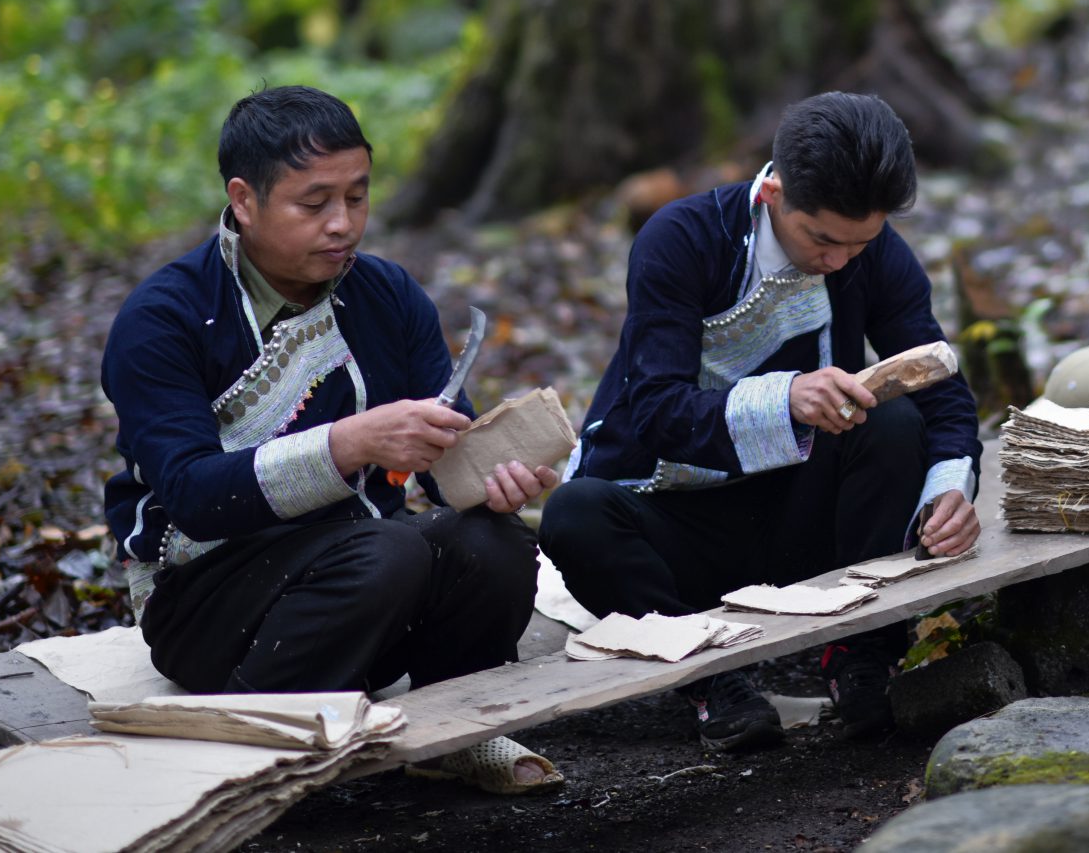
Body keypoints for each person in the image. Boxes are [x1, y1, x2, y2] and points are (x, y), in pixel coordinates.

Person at [100, 85, 561, 794]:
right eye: (313, 204)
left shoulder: (386, 294)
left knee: (494, 545)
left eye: (357, 196)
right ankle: (259, 750)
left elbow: (442, 459)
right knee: (391, 547)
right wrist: (349, 443)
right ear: (244, 200)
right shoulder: (164, 317)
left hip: (363, 576)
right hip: (208, 601)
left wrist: (496, 481)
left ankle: (454, 732)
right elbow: (191, 497)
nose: (343, 224)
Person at [539, 92, 982, 751]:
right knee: (573, 515)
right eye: (824, 240)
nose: (840, 262)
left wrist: (949, 487)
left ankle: (861, 653)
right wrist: (786, 397)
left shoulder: (873, 252)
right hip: (676, 526)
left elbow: (941, 386)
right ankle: (714, 681)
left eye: (859, 243)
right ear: (773, 191)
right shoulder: (680, 239)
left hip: (798, 517)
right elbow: (657, 411)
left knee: (893, 426)